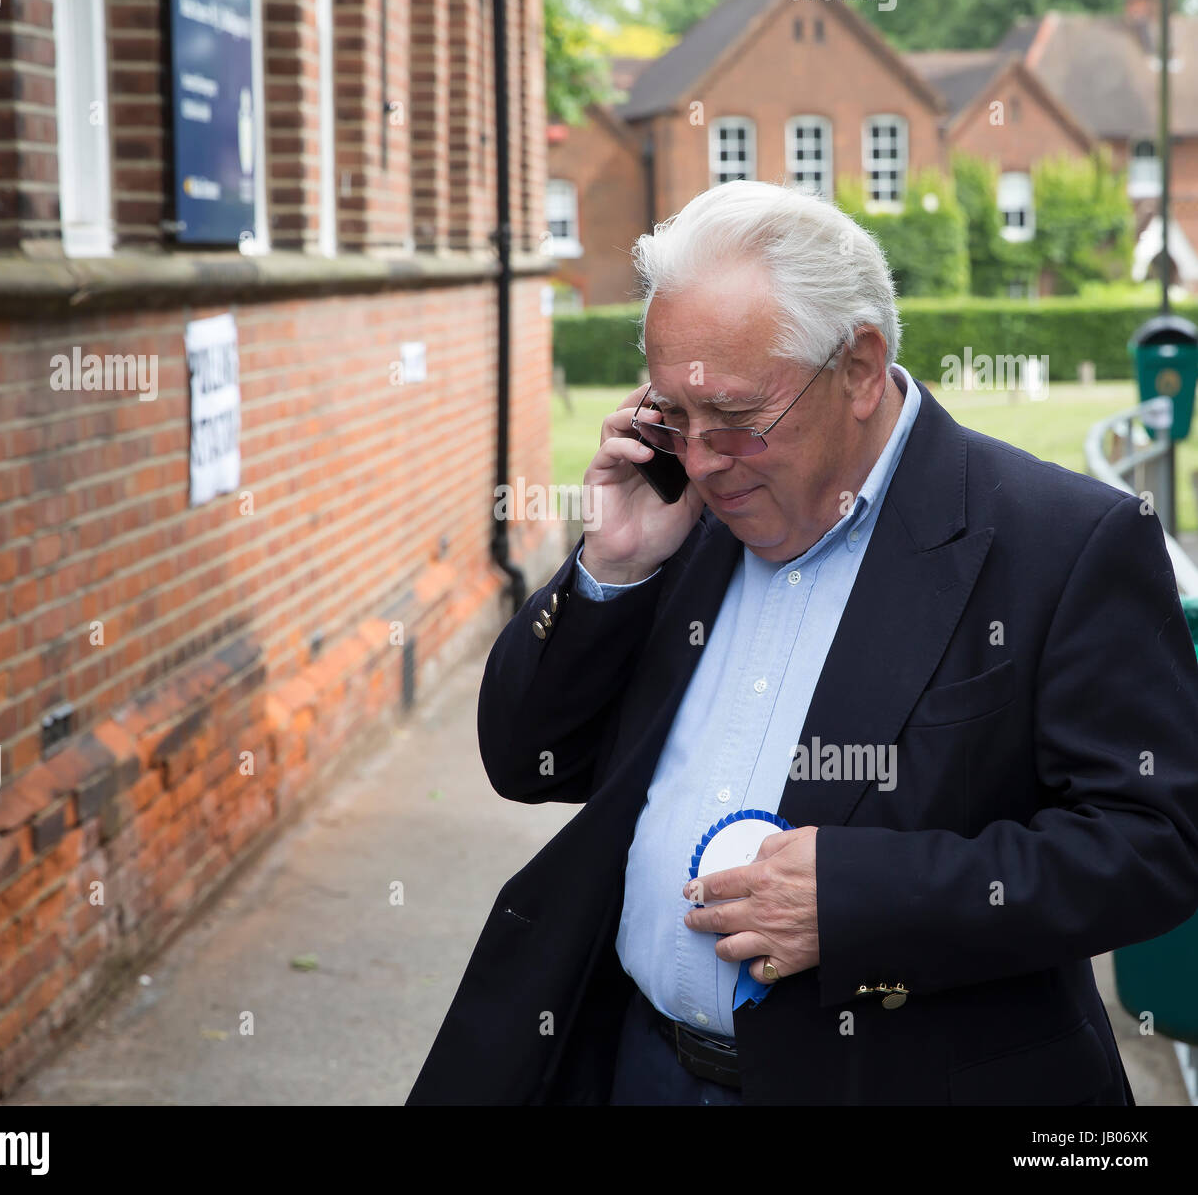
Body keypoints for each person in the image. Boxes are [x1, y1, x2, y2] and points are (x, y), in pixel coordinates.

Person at [407, 180, 1198, 1106]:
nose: (700, 458)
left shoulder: (1060, 541)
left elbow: (1155, 846)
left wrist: (864, 899)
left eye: (737, 420)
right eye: (673, 415)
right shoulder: (676, 517)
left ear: (860, 367)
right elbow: (528, 760)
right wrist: (611, 570)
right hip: (640, 1068)